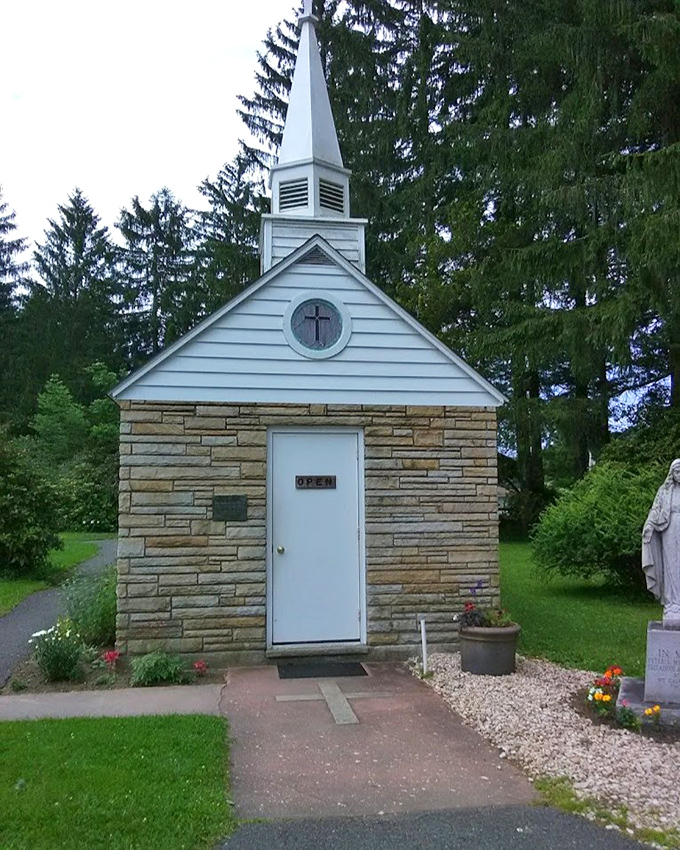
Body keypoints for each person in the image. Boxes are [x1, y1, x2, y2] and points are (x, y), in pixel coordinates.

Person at [643, 459, 680, 629]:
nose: (679, 475)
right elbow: (655, 510)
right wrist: (649, 525)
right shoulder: (664, 491)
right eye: (677, 472)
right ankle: (672, 603)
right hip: (670, 528)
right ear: (671, 473)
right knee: (672, 565)